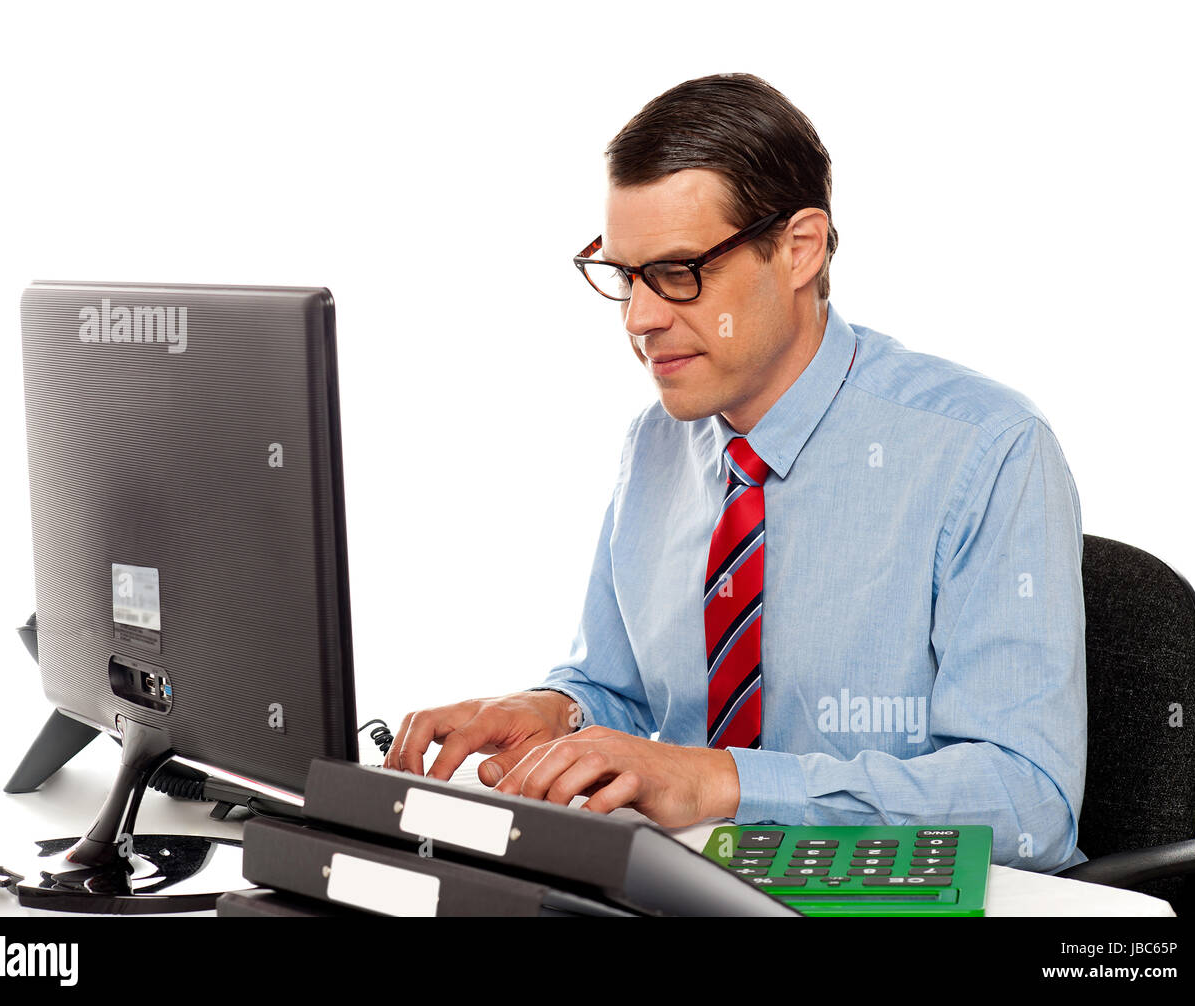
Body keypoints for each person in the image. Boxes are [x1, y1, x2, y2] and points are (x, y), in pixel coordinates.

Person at [384, 72, 1087, 872]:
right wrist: (556, 711)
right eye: (624, 277)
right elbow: (620, 689)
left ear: (799, 249)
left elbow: (1031, 802)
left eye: (680, 272)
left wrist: (720, 782)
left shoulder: (988, 449)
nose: (641, 319)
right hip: (689, 886)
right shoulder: (656, 443)